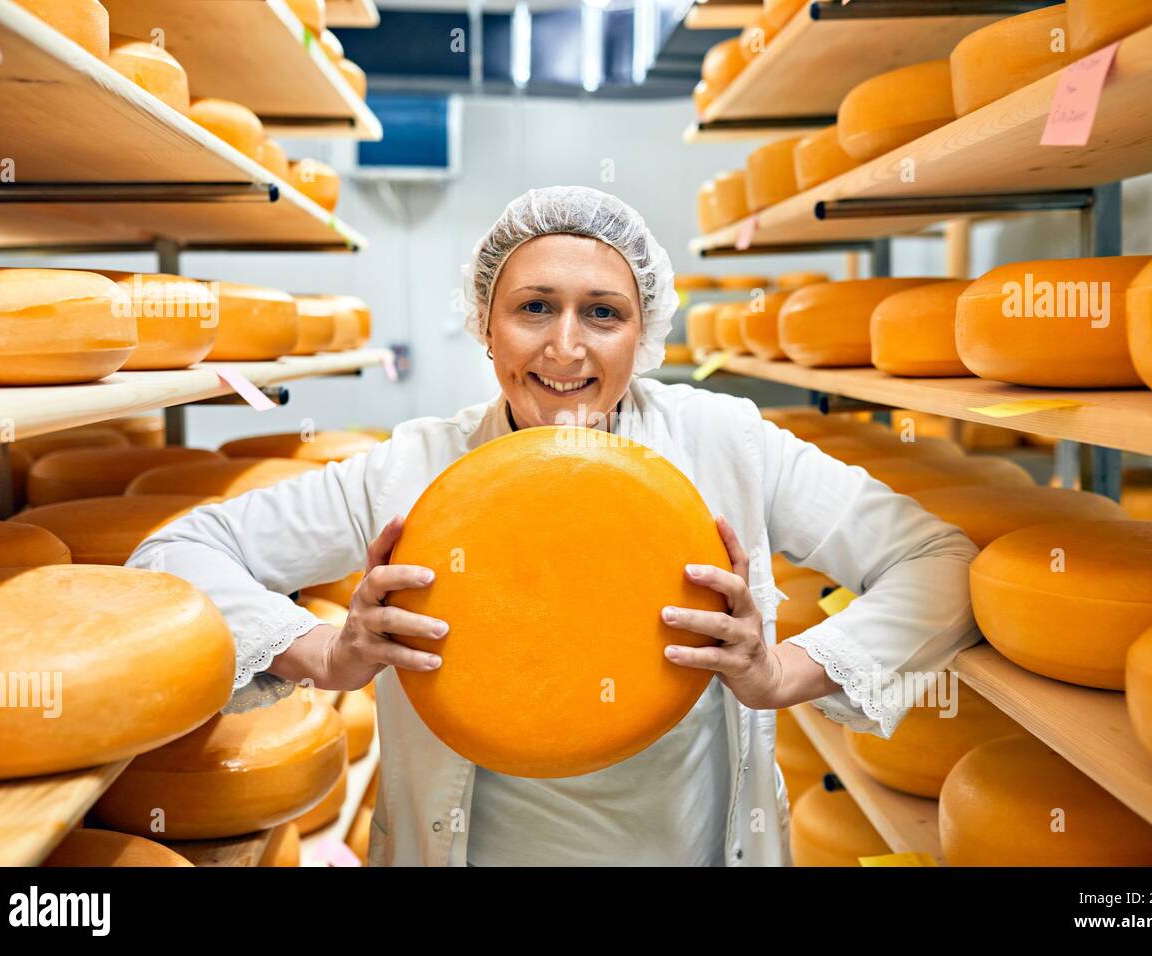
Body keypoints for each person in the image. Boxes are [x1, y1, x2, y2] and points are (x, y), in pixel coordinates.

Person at [128, 185, 979, 866]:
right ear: (485, 327)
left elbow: (938, 559)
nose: (566, 348)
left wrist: (787, 671)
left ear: (643, 333)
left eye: (603, 313)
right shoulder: (413, 469)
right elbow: (174, 554)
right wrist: (321, 653)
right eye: (534, 307)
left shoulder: (729, 443)